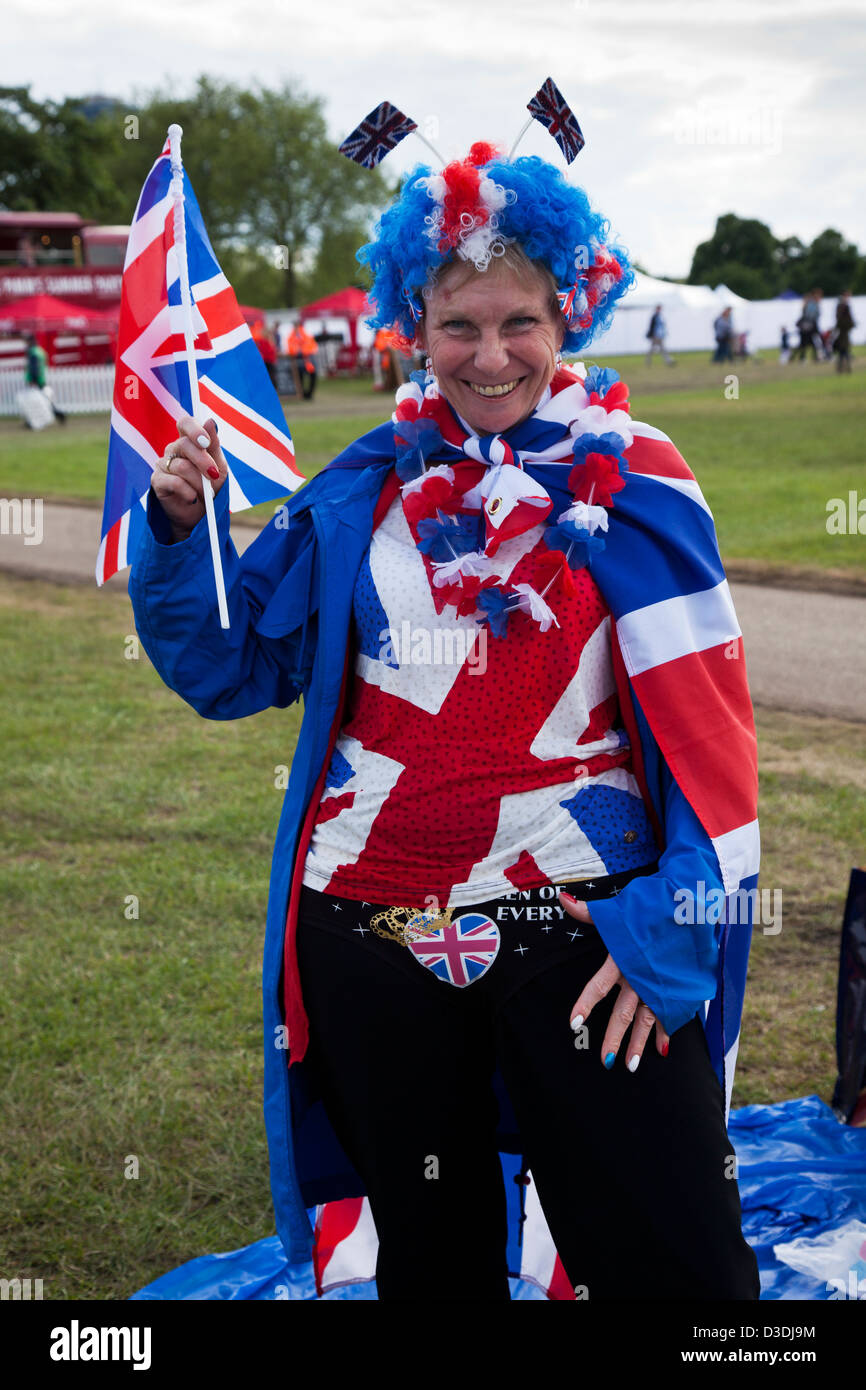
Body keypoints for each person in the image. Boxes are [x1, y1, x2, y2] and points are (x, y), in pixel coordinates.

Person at [128, 139, 761, 1302]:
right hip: (369, 943)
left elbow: (714, 745)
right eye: (456, 325)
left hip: (583, 933)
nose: (488, 355)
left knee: (684, 1273)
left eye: (518, 320)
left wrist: (671, 930)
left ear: (565, 313)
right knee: (434, 1271)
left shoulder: (641, 479)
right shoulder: (362, 485)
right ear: (409, 324)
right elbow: (232, 667)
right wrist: (179, 531)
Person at [24, 333, 66, 424]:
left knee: (36, 401)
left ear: (29, 342)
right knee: (44, 400)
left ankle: (58, 414)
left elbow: (34, 367)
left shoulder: (33, 352)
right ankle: (59, 415)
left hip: (36, 380)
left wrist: (33, 380)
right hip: (41, 379)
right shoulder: (40, 351)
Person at [286, 322, 318, 400]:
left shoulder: (305, 335)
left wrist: (303, 351)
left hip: (308, 361)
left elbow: (312, 346)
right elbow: (291, 349)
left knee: (312, 376)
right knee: (300, 377)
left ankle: (309, 394)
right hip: (299, 360)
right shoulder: (292, 337)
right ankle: (303, 394)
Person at [794, 288, 822, 362]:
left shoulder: (811, 304)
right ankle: (810, 357)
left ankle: (806, 357)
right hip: (810, 325)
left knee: (807, 342)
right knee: (808, 342)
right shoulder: (812, 304)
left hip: (809, 325)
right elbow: (810, 315)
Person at [833, 290, 855, 373]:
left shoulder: (840, 306)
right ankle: (846, 367)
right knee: (844, 349)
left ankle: (842, 367)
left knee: (843, 349)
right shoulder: (844, 306)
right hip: (843, 329)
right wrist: (851, 324)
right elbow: (846, 319)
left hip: (842, 329)